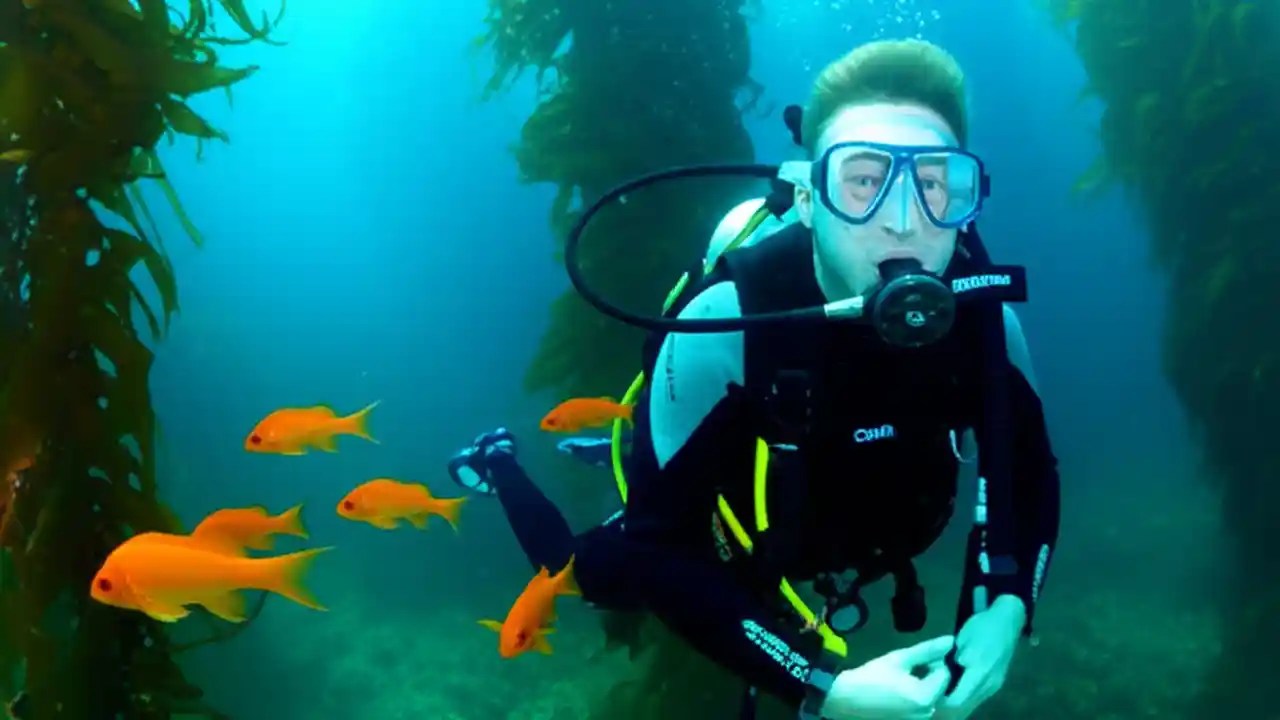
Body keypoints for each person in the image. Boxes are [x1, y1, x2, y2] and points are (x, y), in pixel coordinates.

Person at [449, 38, 1061, 720]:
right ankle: (498, 460)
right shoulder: (726, 321)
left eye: (935, 181)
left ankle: (654, 445)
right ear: (807, 197)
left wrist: (1008, 603)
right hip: (725, 530)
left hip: (851, 530)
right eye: (863, 179)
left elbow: (1029, 471)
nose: (904, 216)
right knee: (579, 574)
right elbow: (660, 549)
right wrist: (820, 687)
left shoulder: (982, 319)